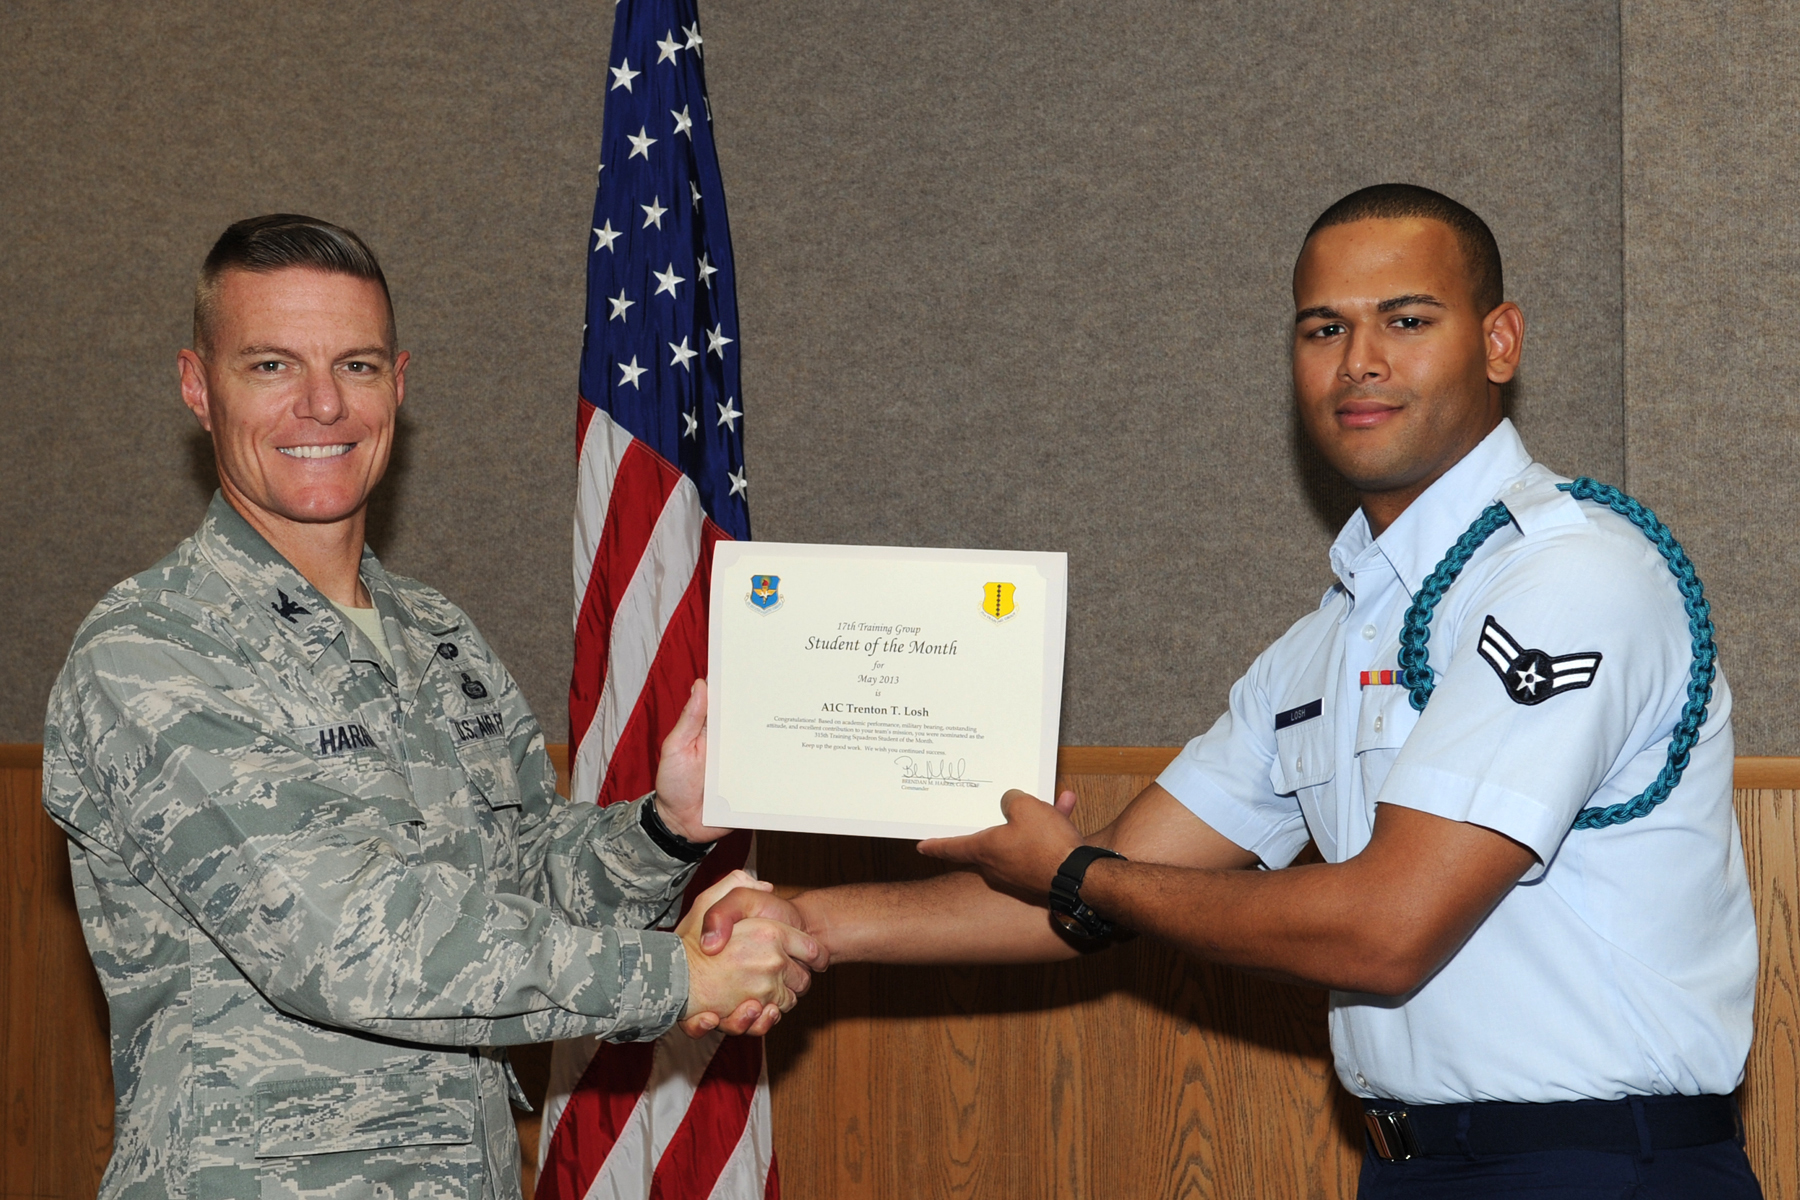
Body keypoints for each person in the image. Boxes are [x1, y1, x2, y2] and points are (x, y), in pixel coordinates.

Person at [699, 185, 1762, 1197]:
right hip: (1413, 1169)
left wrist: (1084, 873)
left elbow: (1385, 928)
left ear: (1499, 342)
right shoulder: (1327, 642)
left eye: (1406, 319)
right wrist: (809, 921)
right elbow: (1099, 885)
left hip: (1602, 1169)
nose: (1361, 364)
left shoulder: (1571, 574)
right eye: (1323, 329)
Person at [40, 214, 817, 1200]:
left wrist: (666, 829)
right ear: (199, 387)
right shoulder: (154, 648)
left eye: (356, 366)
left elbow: (521, 891)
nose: (321, 404)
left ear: (398, 387)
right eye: (272, 365)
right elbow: (342, 944)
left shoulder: (435, 634)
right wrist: (677, 980)